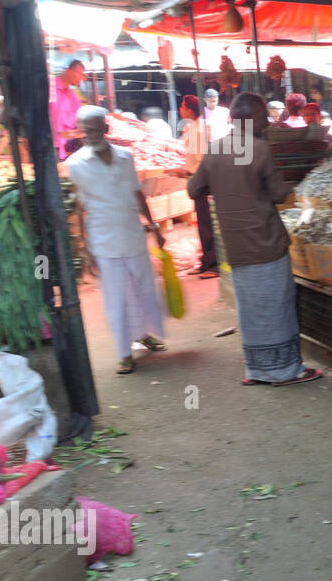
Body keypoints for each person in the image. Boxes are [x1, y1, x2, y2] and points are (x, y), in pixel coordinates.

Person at [187, 92, 322, 386]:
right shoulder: (259, 149)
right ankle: (287, 371)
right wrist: (296, 182)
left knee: (250, 309)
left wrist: (225, 189)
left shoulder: (215, 150)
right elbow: (277, 193)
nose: (267, 121)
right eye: (263, 116)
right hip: (265, 242)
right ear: (248, 118)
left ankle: (257, 371)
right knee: (277, 306)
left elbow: (193, 190)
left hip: (236, 246)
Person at [65, 105, 167, 374]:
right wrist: (84, 248)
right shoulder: (75, 164)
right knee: (116, 297)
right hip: (103, 239)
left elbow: (137, 194)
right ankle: (124, 353)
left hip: (132, 234)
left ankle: (144, 334)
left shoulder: (125, 156)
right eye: (85, 130)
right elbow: (76, 208)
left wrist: (154, 227)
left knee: (142, 289)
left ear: (106, 130)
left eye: (95, 129)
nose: (89, 134)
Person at [172, 94, 219, 278]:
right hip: (198, 179)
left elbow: (201, 159)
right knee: (203, 223)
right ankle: (207, 262)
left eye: (182, 106)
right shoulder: (195, 127)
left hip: (202, 181)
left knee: (207, 223)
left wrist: (185, 172)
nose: (180, 109)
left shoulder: (198, 129)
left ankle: (213, 265)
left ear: (189, 110)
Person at [49, 60, 86, 161]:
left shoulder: (74, 98)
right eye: (80, 74)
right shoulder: (50, 86)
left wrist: (76, 132)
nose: (81, 78)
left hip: (61, 149)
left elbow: (79, 124)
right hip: (43, 144)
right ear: (68, 71)